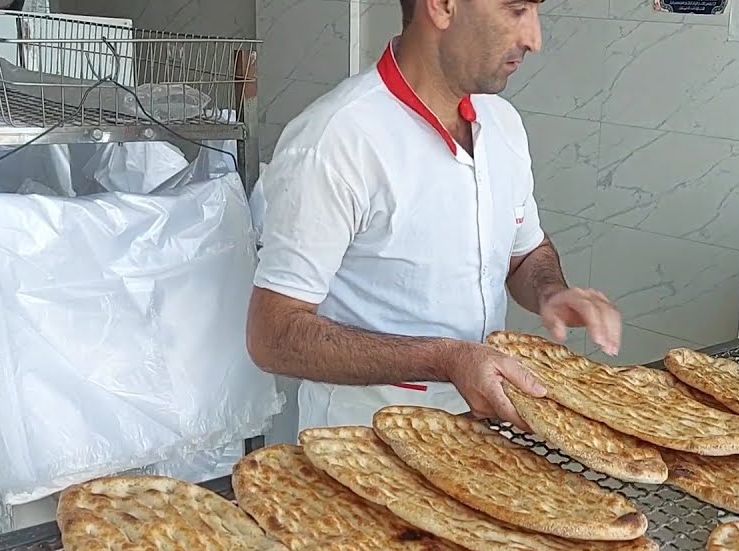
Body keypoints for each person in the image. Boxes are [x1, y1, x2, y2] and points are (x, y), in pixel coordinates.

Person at [245, 0, 622, 433]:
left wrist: (551, 293)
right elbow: (273, 336)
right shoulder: (337, 141)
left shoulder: (502, 124)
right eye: (516, 10)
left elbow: (523, 252)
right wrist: (446, 360)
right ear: (442, 7)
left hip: (483, 437)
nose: (534, 39)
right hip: (365, 451)